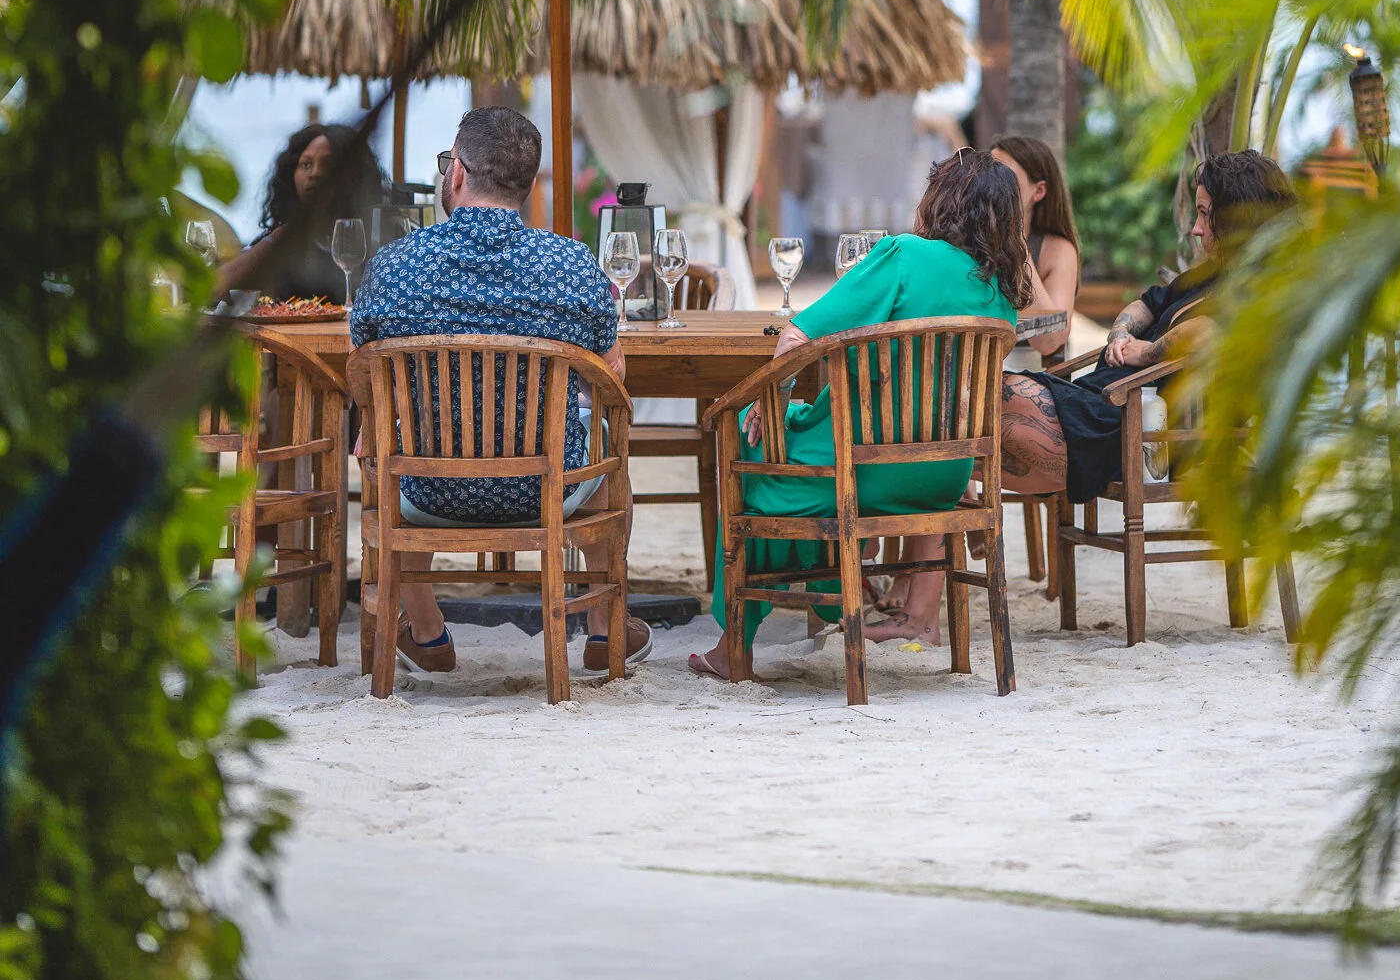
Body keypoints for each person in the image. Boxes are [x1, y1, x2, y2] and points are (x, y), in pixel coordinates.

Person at [690, 147, 1027, 678]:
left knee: (744, 437)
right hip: (944, 475)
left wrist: (766, 398)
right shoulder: (1000, 294)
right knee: (788, 443)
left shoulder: (903, 255)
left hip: (865, 471)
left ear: (940, 201)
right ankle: (829, 589)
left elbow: (800, 335)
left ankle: (737, 644)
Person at [350, 104, 650, 675]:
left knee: (380, 451)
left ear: (457, 174)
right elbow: (611, 377)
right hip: (547, 492)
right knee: (610, 461)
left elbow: (363, 368)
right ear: (529, 186)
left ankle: (430, 633)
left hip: (425, 491)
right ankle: (604, 629)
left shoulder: (392, 266)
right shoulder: (572, 265)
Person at [998, 147, 1300, 508]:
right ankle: (943, 508)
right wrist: (1121, 333)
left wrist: (1145, 353)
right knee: (978, 416)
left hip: (1140, 425)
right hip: (1107, 403)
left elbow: (1208, 334)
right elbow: (1146, 303)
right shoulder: (1210, 276)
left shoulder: (1265, 287)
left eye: (1205, 214)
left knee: (990, 399)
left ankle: (945, 499)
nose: (1196, 228)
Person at [237, 121, 389, 302]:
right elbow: (221, 285)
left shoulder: (378, 238)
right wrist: (282, 234)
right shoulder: (284, 239)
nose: (315, 173)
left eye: (328, 164)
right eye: (306, 164)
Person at [991, 132, 1080, 357]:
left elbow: (1050, 341)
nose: (992, 187)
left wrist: (1015, 242)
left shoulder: (1056, 250)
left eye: (1005, 179)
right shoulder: (962, 240)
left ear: (1038, 191)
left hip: (1022, 369)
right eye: (988, 175)